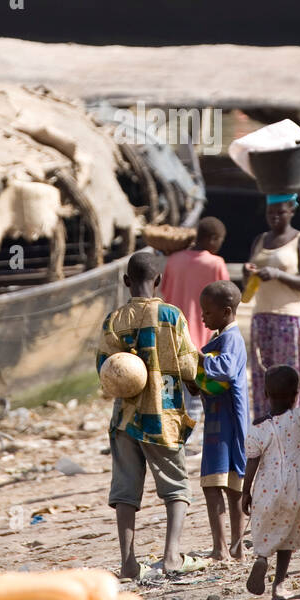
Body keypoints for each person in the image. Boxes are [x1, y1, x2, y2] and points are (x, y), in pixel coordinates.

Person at [97, 250, 206, 580]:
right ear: (158, 281)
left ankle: (128, 564)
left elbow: (105, 369)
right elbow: (188, 364)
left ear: (126, 282)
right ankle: (171, 556)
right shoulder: (171, 317)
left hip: (125, 418)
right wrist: (198, 385)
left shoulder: (114, 320)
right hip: (162, 416)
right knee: (175, 487)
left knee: (125, 490)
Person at [242, 365, 300, 600]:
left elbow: (252, 463)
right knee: (288, 533)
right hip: (296, 485)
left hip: (266, 486)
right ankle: (279, 585)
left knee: (267, 527)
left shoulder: (258, 427)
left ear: (265, 394)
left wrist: (246, 492)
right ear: (297, 394)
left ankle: (262, 557)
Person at [244, 194, 300, 423]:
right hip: (261, 317)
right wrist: (248, 273)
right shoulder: (260, 240)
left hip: (289, 319)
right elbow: (246, 284)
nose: (275, 217)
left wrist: (278, 274)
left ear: (291, 211)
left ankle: (293, 425)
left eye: (280, 212)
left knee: (289, 377)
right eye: (270, 213)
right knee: (264, 376)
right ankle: (268, 426)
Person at [195, 280, 248, 562]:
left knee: (224, 486)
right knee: (221, 484)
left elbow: (225, 369)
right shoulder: (221, 337)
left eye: (208, 312)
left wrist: (198, 359)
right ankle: (229, 548)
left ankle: (227, 548)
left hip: (229, 423)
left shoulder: (232, 339)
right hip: (218, 420)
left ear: (227, 311)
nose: (203, 316)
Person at [161, 217, 230, 351]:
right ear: (213, 238)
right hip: (204, 343)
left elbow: (165, 292)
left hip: (172, 337)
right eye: (221, 241)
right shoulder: (216, 264)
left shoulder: (174, 260)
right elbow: (228, 300)